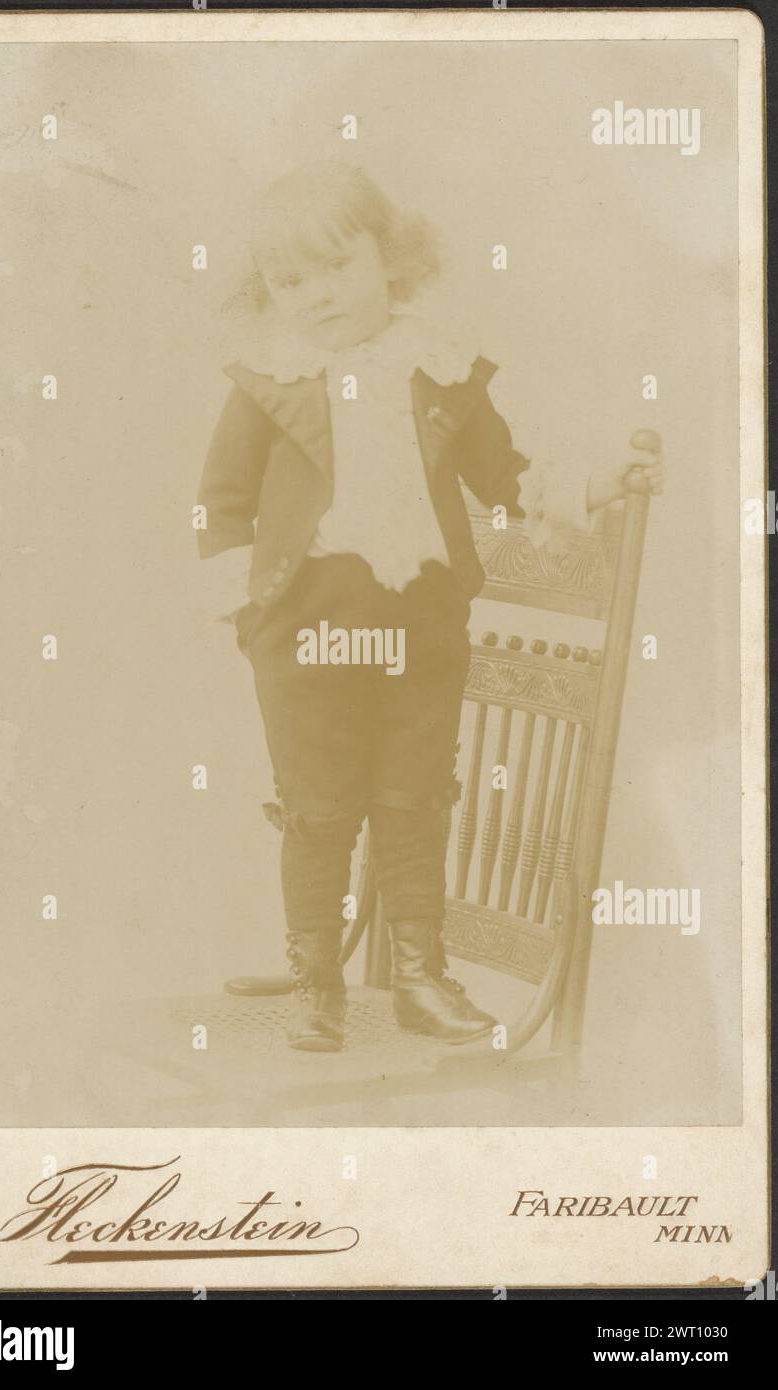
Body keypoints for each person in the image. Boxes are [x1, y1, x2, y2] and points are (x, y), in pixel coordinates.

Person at [196, 161, 663, 1052]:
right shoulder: (268, 380)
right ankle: (318, 982)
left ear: (392, 259)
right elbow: (220, 504)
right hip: (307, 632)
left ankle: (417, 974)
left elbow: (505, 477)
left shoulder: (439, 371)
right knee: (320, 808)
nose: (316, 296)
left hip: (420, 627)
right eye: (290, 280)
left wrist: (599, 482)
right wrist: (247, 617)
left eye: (336, 266)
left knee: (412, 799)